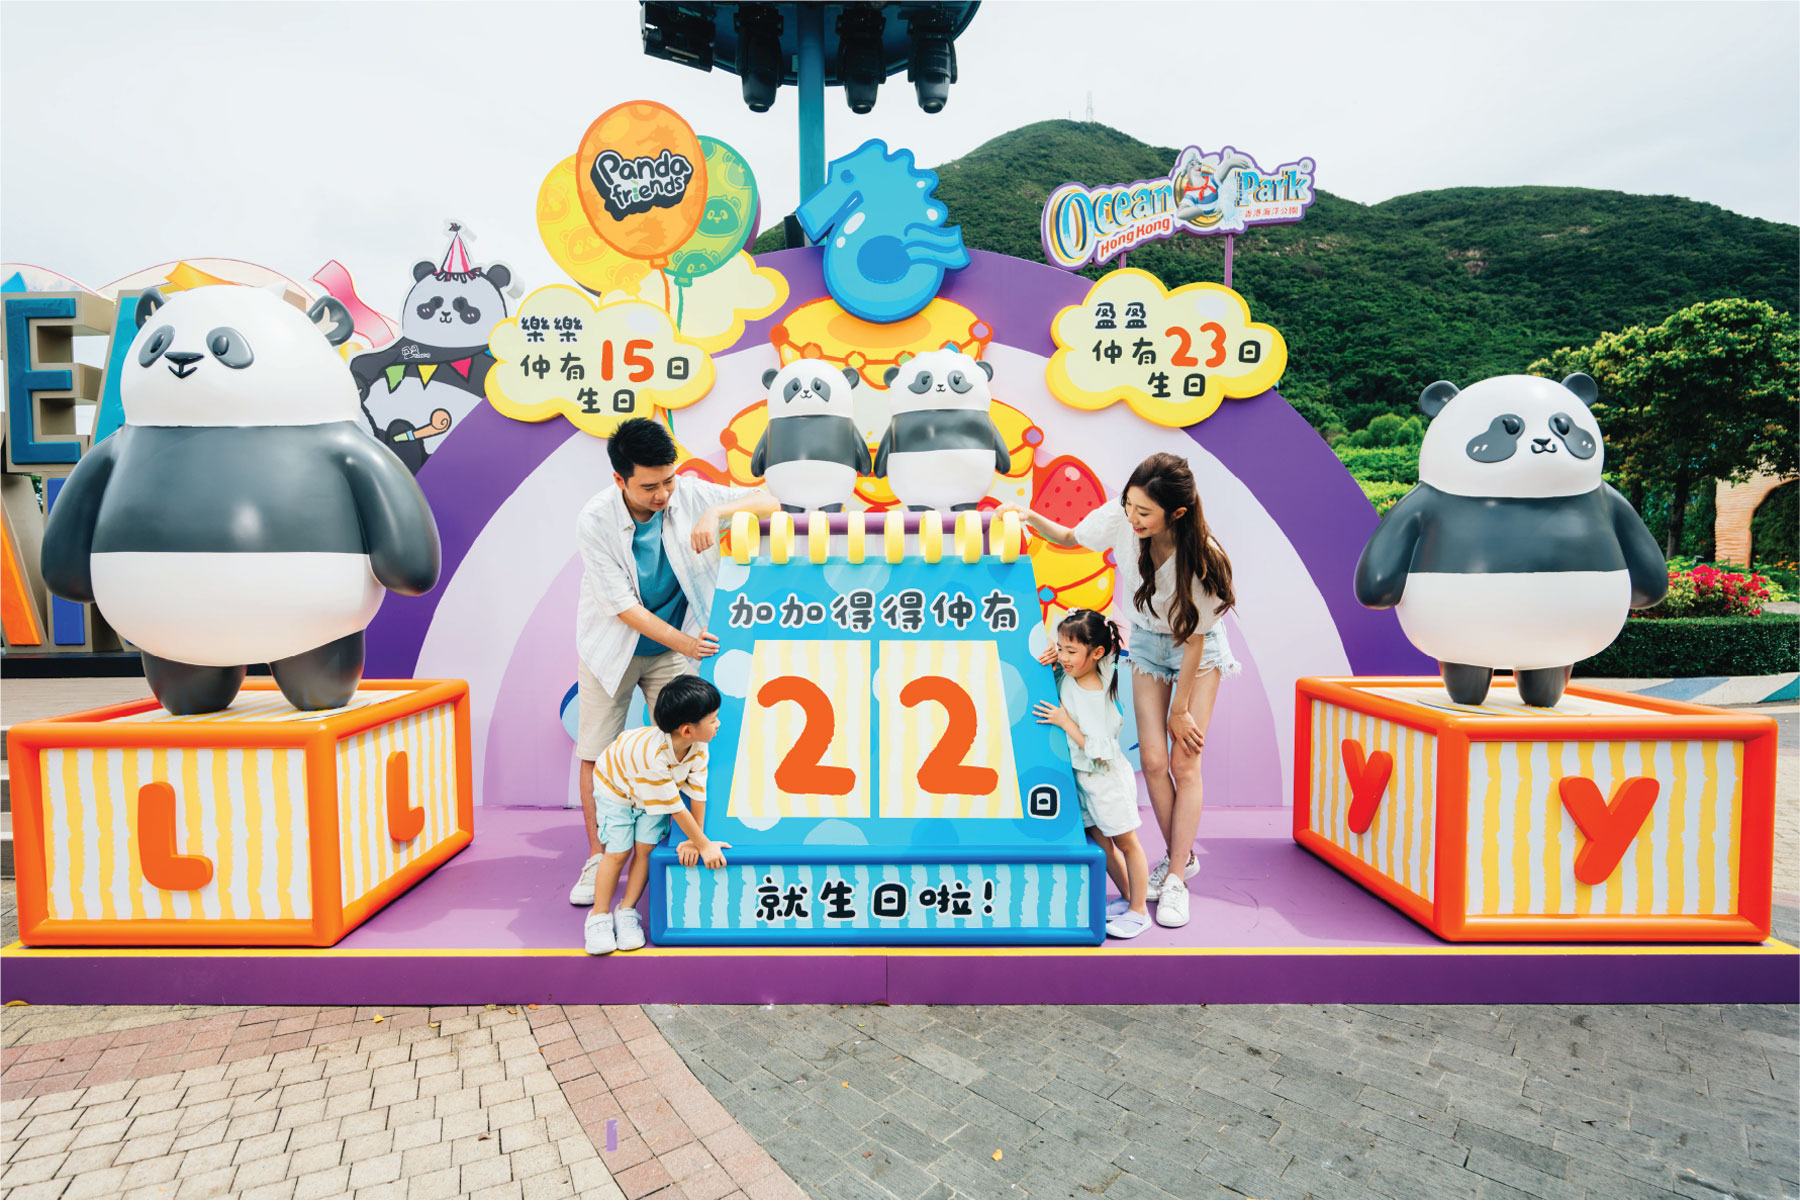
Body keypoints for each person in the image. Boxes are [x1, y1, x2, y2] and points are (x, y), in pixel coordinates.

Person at [1000, 452, 1236, 928]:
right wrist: (1029, 517)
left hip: (1197, 648)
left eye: (1144, 512)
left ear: (1177, 513)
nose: (1132, 517)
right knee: (1152, 761)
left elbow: (1195, 639)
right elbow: (1070, 537)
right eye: (1129, 504)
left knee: (1184, 760)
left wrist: (1180, 710)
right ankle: (1182, 858)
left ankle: (1175, 878)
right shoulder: (1123, 516)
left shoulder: (1204, 557)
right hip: (1147, 642)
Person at [570, 417, 776, 907]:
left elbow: (769, 501)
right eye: (649, 486)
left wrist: (718, 512)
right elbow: (624, 607)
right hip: (613, 647)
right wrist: (686, 645)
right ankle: (598, 855)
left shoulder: (688, 494)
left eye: (668, 480)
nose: (663, 493)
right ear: (619, 479)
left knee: (686, 741)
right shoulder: (595, 519)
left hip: (673, 648)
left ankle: (671, 839)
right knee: (597, 750)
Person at [583, 675, 731, 955]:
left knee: (646, 849)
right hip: (617, 788)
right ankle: (598, 916)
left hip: (654, 791)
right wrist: (704, 845)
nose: (718, 724)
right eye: (713, 720)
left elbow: (697, 792)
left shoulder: (699, 746)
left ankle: (627, 910)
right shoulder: (653, 757)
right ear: (687, 730)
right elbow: (675, 807)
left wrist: (695, 839)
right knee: (618, 851)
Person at [1032, 608, 1151, 939]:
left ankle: (1140, 911)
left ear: (1097, 653)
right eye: (1061, 648)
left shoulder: (1099, 688)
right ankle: (1128, 897)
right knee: (1101, 842)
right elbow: (1059, 658)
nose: (1064, 656)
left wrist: (1065, 722)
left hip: (1106, 779)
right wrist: (1053, 654)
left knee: (1127, 843)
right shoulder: (1071, 675)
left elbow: (1099, 749)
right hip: (1083, 779)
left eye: (1071, 651)